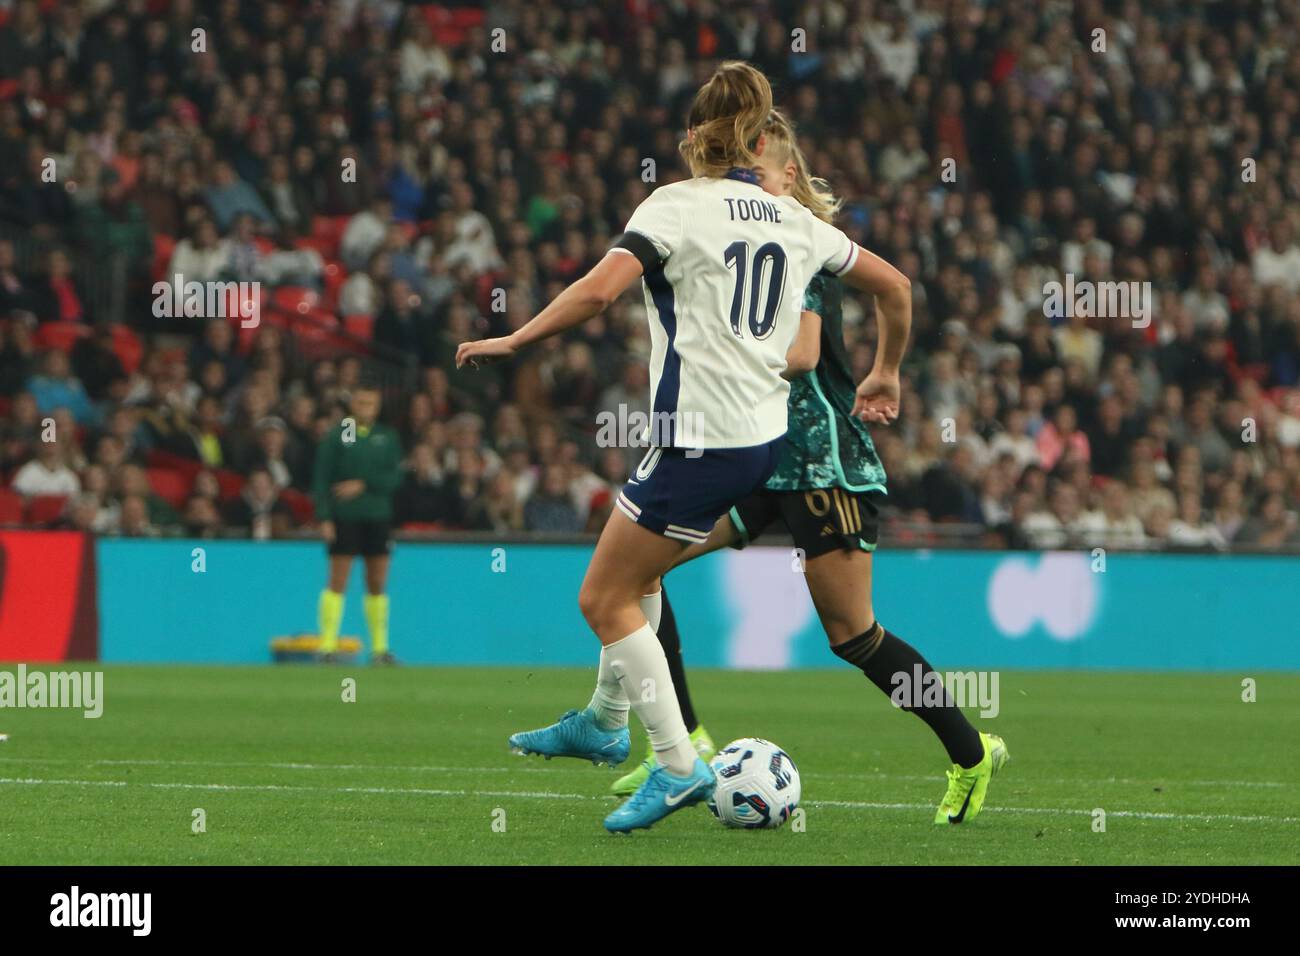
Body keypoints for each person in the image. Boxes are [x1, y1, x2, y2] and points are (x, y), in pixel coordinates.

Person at [456, 62, 912, 833]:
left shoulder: (675, 206)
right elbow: (895, 287)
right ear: (756, 137)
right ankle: (603, 722)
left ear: (696, 138)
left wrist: (519, 337)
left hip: (696, 440)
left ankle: (675, 765)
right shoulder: (792, 217)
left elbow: (600, 291)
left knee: (602, 599)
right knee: (641, 575)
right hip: (756, 442)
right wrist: (885, 372)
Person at [611, 112, 1008, 825]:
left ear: (787, 176)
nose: (736, 181)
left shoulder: (798, 245)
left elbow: (800, 353)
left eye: (753, 167)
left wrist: (882, 371)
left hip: (820, 459)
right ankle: (683, 745)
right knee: (640, 571)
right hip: (756, 456)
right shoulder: (739, 232)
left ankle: (973, 752)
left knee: (853, 634)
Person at [311, 381, 403, 665]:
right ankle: (326, 646)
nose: (366, 408)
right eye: (361, 403)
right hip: (345, 517)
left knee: (377, 581)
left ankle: (379, 649)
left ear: (377, 406)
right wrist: (324, 516)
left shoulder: (387, 437)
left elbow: (396, 478)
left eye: (371, 404)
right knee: (338, 580)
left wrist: (363, 484)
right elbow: (322, 478)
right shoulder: (340, 435)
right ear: (352, 404)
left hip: (378, 516)